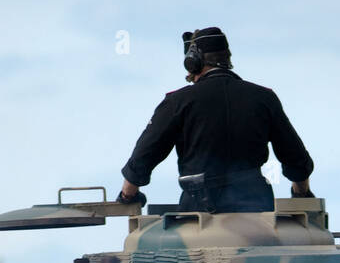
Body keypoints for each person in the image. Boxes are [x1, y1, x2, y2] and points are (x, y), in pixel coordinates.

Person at [117, 27, 315, 213]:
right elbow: (294, 155)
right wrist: (301, 193)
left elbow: (146, 153)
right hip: (256, 208)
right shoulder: (264, 98)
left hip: (198, 210)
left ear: (193, 62)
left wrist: (128, 195)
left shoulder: (178, 101)